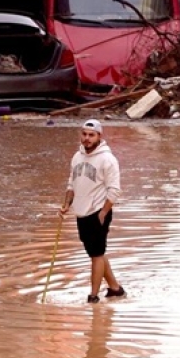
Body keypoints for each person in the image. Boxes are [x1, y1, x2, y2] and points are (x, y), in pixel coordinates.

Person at [58, 119, 124, 304]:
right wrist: (66, 205)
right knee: (97, 253)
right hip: (81, 212)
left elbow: (115, 190)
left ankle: (93, 297)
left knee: (96, 255)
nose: (87, 138)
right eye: (84, 134)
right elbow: (72, 184)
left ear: (99, 137)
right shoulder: (76, 157)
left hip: (98, 212)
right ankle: (115, 289)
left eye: (91, 135)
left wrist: (103, 213)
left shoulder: (107, 159)